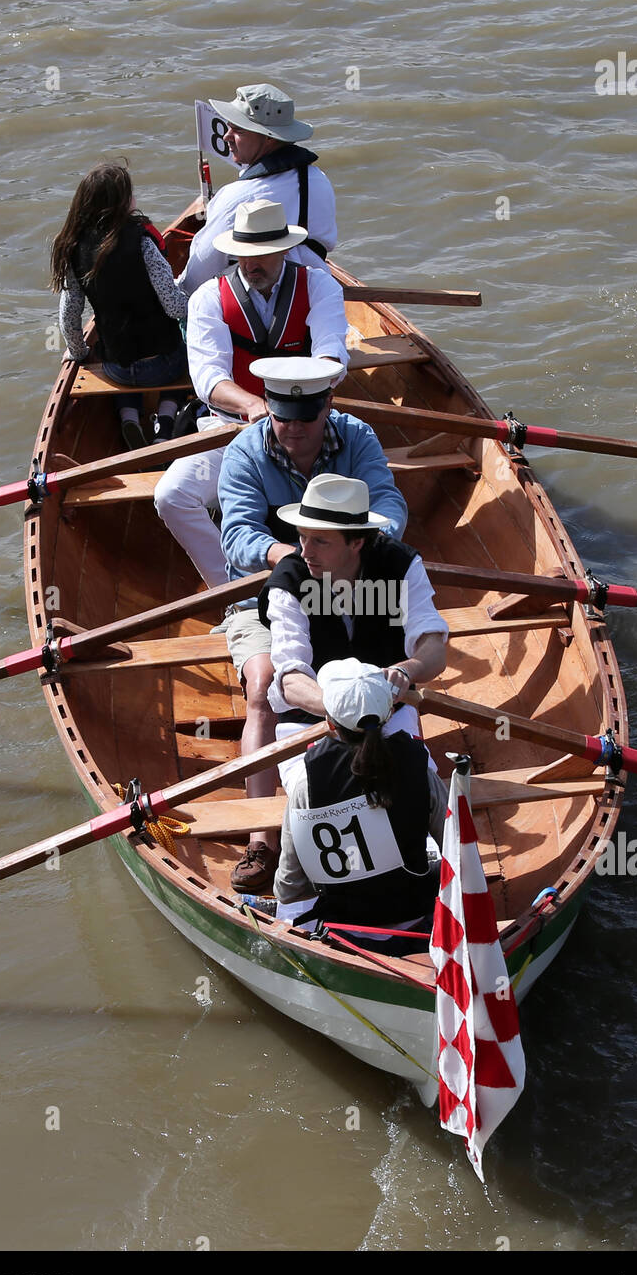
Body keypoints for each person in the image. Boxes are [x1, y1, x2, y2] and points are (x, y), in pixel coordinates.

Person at [216, 359, 409, 894]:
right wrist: (303, 557)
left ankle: (400, 800)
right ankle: (261, 839)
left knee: (389, 680)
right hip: (266, 594)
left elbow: (389, 501)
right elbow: (236, 540)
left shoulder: (358, 438)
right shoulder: (244, 453)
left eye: (306, 417)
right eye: (282, 417)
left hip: (351, 587)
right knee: (262, 686)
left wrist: (363, 542)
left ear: (328, 406)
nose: (293, 429)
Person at [153, 200, 349, 589]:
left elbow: (333, 358)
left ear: (282, 249)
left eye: (259, 255)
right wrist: (254, 406)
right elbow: (208, 377)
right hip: (235, 430)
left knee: (348, 507)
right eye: (242, 254)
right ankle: (233, 591)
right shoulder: (208, 298)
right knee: (171, 495)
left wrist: (290, 407)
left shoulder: (319, 285)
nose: (249, 263)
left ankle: (342, 584)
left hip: (306, 427)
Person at [259, 473, 448, 793]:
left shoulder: (399, 564)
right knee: (314, 796)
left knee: (423, 790)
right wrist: (343, 707)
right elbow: (290, 678)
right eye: (302, 537)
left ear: (357, 541)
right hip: (310, 720)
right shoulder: (290, 578)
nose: (305, 552)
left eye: (320, 541)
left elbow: (434, 647)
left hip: (390, 717)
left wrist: (407, 669)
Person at [269, 658, 447, 954]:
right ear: (390, 713)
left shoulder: (305, 784)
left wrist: (287, 920)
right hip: (417, 918)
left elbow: (291, 881)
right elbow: (456, 849)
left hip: (342, 929)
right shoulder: (421, 770)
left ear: (328, 722)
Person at [51, 162, 188, 449]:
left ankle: (127, 414)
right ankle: (164, 422)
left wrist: (78, 353)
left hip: (117, 369)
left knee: (111, 351)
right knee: (189, 352)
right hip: (164, 364)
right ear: (122, 202)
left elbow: (68, 317)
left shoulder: (74, 248)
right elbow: (175, 307)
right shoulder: (142, 242)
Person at [178, 83, 336, 299]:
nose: (226, 136)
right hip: (314, 297)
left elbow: (198, 277)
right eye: (228, 126)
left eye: (238, 129)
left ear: (269, 138)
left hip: (252, 310)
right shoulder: (319, 179)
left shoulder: (236, 197)